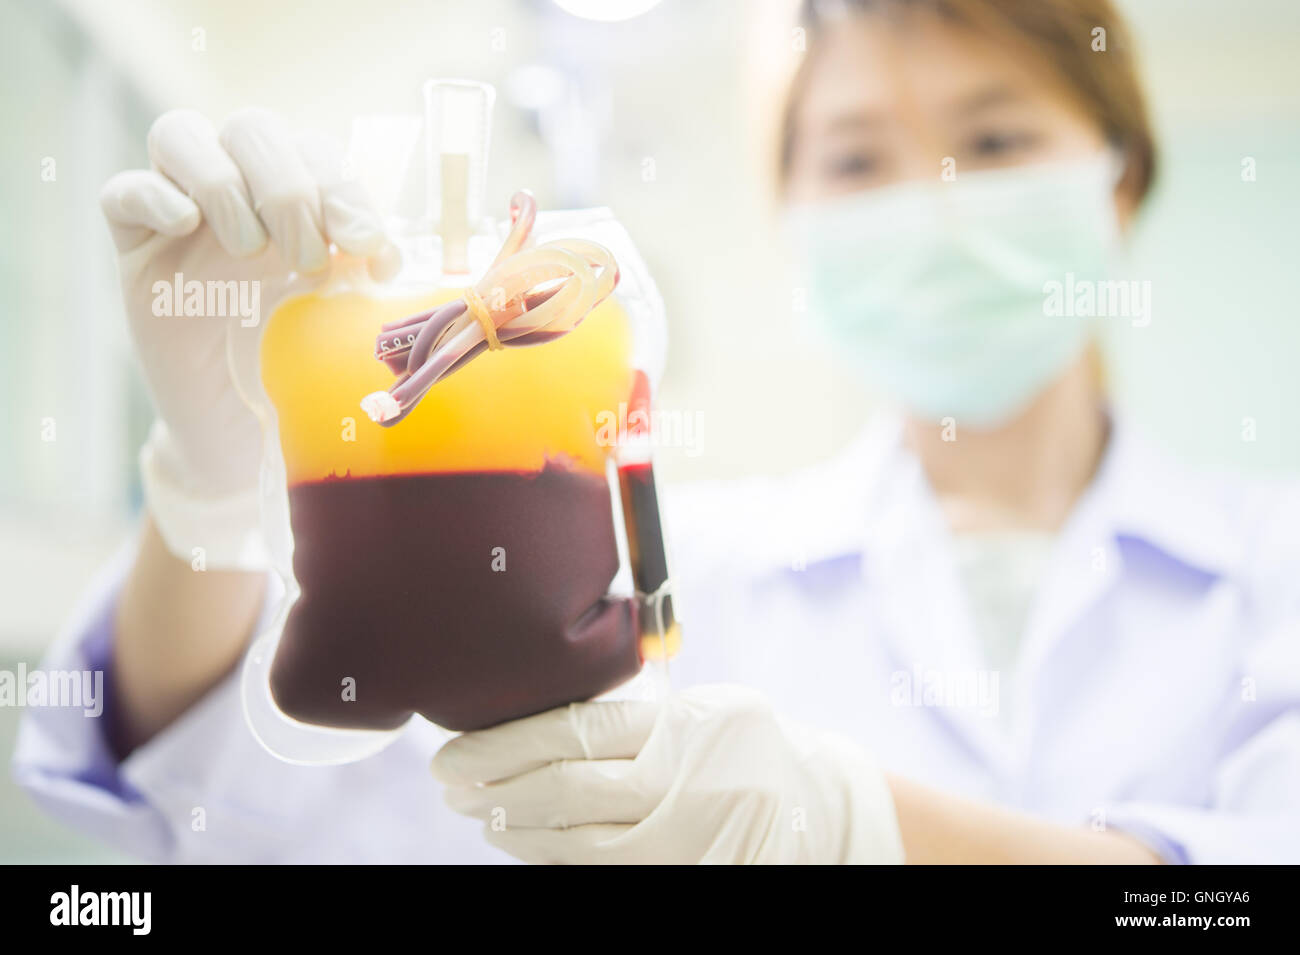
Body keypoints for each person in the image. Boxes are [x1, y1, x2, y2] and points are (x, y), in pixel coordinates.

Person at [14, 0, 1300, 864]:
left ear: (1117, 181)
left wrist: (863, 829)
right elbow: (237, 799)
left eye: (995, 137)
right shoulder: (673, 575)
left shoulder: (1276, 568)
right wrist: (209, 478)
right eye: (855, 160)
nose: (933, 199)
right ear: (789, 214)